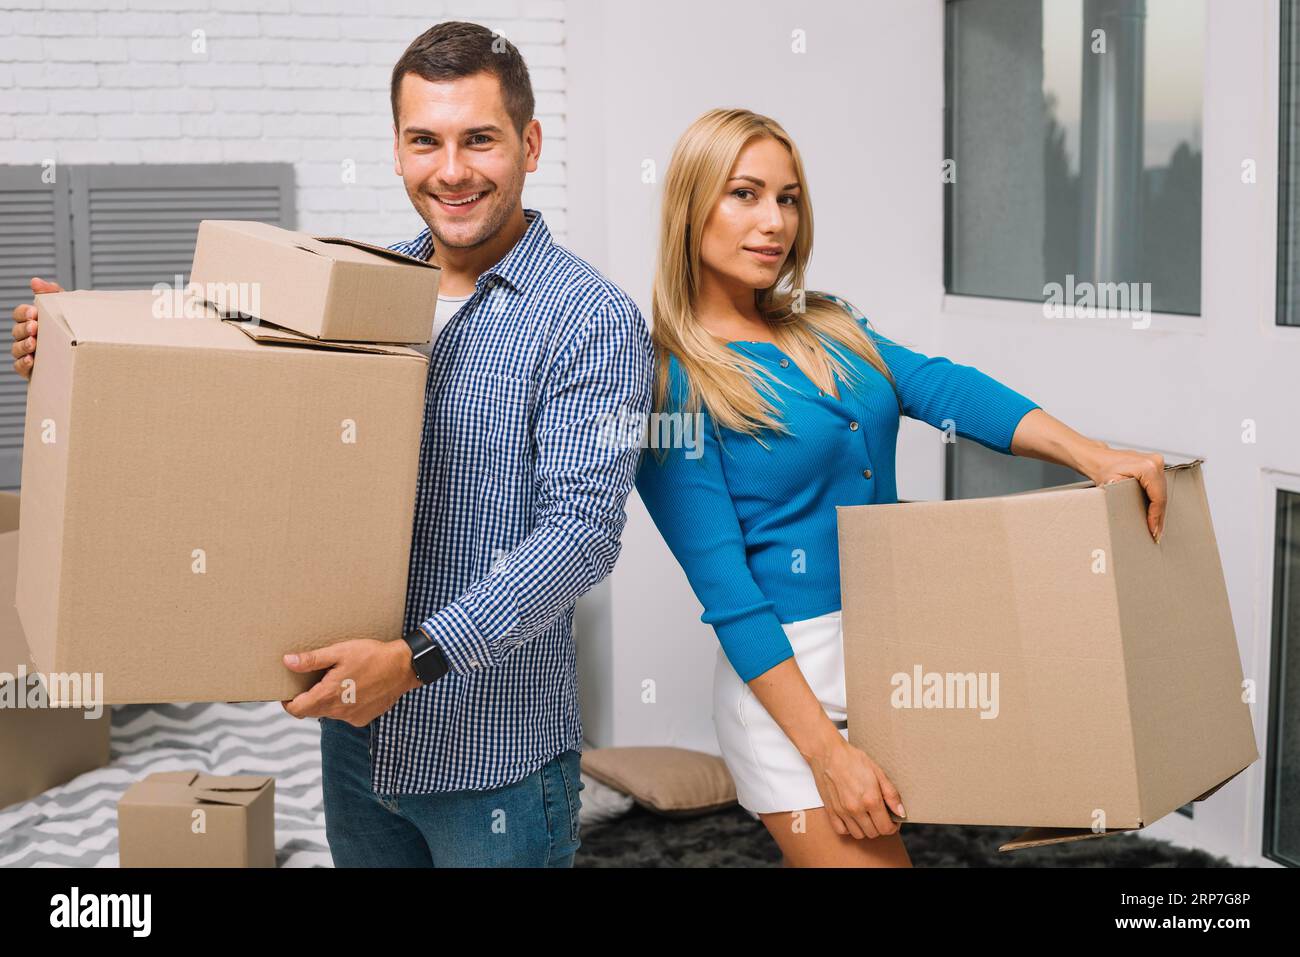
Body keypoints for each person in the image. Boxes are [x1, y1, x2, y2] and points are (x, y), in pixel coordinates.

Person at [10, 21, 653, 868]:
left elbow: (580, 536)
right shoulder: (360, 284)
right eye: (425, 140)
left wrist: (416, 659)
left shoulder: (593, 320)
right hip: (354, 736)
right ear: (395, 150)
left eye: (479, 140)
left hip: (491, 758)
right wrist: (75, 359)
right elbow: (247, 414)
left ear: (529, 144)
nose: (451, 170)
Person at [634, 107, 1169, 868]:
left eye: (787, 198)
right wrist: (827, 752)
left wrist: (1090, 454)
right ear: (691, 207)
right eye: (744, 194)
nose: (774, 221)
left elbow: (945, 389)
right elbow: (729, 594)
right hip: (794, 687)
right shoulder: (666, 383)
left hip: (899, 652)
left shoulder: (829, 325)